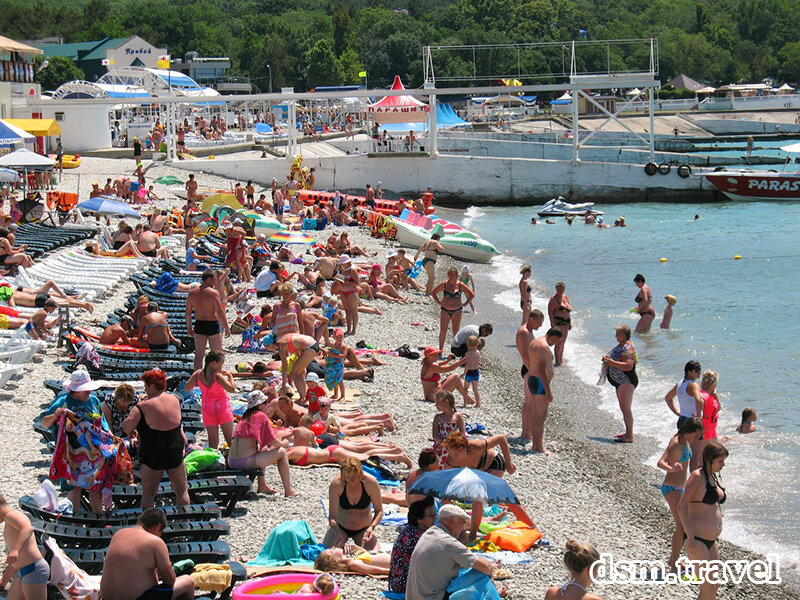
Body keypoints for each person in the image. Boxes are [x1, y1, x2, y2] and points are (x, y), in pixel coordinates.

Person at [38, 370, 107, 512]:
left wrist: (113, 442)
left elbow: (104, 425)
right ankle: (75, 520)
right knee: (74, 489)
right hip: (70, 453)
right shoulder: (63, 401)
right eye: (85, 389)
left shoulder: (94, 400)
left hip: (94, 452)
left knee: (96, 487)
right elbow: (44, 423)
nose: (88, 391)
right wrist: (55, 415)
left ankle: (97, 519)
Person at [406, 504, 506, 600]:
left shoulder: (430, 533)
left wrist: (460, 541)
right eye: (462, 523)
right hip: (433, 597)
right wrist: (490, 570)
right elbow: (485, 567)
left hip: (415, 596)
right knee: (481, 576)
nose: (463, 528)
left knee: (470, 571)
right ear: (452, 522)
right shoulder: (448, 542)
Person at [122, 370, 189, 508]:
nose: (145, 389)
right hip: (175, 447)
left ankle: (147, 526)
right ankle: (185, 520)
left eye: (146, 386)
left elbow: (126, 427)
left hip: (153, 451)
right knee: (182, 491)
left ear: (152, 386)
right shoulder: (175, 399)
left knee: (148, 495)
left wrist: (134, 430)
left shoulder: (142, 406)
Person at [100, 508, 195, 600]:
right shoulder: (155, 541)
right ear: (157, 527)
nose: (161, 535)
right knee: (188, 581)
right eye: (161, 532)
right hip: (137, 598)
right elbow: (170, 581)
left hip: (107, 597)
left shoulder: (119, 534)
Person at [678, 442, 729, 600]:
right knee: (708, 585)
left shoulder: (711, 477)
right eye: (720, 461)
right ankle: (684, 568)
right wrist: (690, 535)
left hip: (711, 541)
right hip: (697, 540)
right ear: (709, 459)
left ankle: (686, 570)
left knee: (713, 585)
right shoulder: (697, 477)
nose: (723, 465)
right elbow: (682, 507)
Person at [228, 390, 299, 496]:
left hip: (231, 460)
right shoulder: (261, 416)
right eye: (265, 402)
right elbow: (272, 440)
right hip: (244, 462)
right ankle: (289, 490)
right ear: (259, 405)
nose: (267, 405)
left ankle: (262, 486)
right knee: (282, 452)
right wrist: (284, 443)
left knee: (264, 449)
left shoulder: (245, 417)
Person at [657, 417, 704, 573]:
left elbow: (691, 465)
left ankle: (673, 559)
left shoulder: (686, 442)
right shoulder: (676, 443)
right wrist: (671, 468)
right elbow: (660, 462)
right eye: (696, 435)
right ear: (688, 431)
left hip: (681, 487)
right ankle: (674, 565)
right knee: (681, 525)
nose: (697, 439)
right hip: (671, 488)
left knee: (684, 524)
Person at [323, 458, 384, 550]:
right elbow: (332, 516)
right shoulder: (337, 484)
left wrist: (371, 527)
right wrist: (337, 533)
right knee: (327, 556)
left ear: (360, 473)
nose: (351, 481)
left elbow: (379, 511)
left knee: (373, 558)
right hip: (340, 527)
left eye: (354, 478)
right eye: (347, 478)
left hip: (364, 529)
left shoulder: (370, 483)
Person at [0, 493, 49, 600]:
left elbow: (28, 528)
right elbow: (16, 562)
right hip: (21, 571)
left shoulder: (12, 515)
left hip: (34, 569)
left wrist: (15, 550)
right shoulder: (9, 522)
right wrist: (3, 582)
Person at [184, 351, 235, 450]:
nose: (221, 367)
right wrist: (230, 377)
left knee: (213, 442)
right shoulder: (218, 376)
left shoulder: (198, 374)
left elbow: (187, 387)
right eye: (220, 364)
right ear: (213, 364)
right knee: (230, 440)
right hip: (222, 407)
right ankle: (235, 462)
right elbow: (231, 389)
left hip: (208, 408)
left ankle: (213, 461)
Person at [388, 497, 436, 594]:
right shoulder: (416, 536)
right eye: (431, 516)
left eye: (435, 515)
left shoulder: (409, 530)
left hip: (397, 582)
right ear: (419, 519)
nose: (434, 518)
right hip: (405, 585)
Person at [526, 328, 561, 454]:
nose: (556, 344)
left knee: (537, 413)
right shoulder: (543, 347)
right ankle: (538, 447)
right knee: (540, 416)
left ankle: (537, 443)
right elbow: (541, 370)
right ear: (553, 336)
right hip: (540, 382)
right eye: (557, 341)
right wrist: (548, 390)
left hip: (533, 379)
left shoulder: (535, 342)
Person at [186, 270, 229, 370]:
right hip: (212, 324)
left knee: (199, 354)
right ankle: (216, 376)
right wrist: (226, 326)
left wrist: (189, 327)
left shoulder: (192, 293)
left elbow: (188, 312)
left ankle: (197, 377)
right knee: (217, 354)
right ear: (209, 279)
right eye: (215, 279)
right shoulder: (213, 293)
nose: (216, 281)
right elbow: (220, 312)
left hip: (199, 324)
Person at [602, 324, 638, 443]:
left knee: (626, 408)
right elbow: (615, 356)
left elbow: (628, 366)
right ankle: (627, 432)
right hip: (621, 382)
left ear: (623, 335)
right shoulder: (622, 345)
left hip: (626, 380)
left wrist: (611, 362)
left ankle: (630, 436)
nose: (615, 336)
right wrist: (607, 358)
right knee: (623, 408)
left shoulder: (628, 347)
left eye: (617, 334)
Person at [431, 268, 475, 351]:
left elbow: (472, 295)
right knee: (443, 331)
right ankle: (440, 350)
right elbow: (433, 292)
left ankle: (454, 350)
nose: (451, 277)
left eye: (453, 275)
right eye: (449, 275)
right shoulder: (444, 284)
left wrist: (465, 304)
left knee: (455, 332)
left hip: (457, 310)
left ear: (456, 276)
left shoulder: (460, 285)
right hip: (445, 309)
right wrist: (439, 302)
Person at [517, 309, 544, 440]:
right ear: (532, 319)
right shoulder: (524, 332)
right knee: (530, 402)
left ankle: (528, 431)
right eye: (538, 323)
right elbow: (524, 355)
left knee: (532, 402)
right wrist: (534, 373)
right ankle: (525, 432)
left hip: (532, 369)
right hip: (529, 370)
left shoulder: (529, 331)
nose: (540, 326)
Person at [277, 332, 321, 399]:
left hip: (309, 348)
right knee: (300, 372)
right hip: (313, 343)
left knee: (295, 373)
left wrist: (284, 385)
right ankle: (304, 396)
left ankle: (302, 398)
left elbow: (284, 367)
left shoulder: (281, 346)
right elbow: (298, 347)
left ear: (270, 345)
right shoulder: (284, 338)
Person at [665, 360, 703, 430]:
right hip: (692, 421)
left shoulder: (680, 384)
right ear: (689, 372)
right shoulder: (693, 385)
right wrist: (698, 417)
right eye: (696, 370)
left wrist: (677, 412)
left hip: (682, 419)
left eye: (699, 370)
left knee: (683, 440)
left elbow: (668, 398)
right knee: (699, 441)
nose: (699, 373)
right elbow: (698, 400)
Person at [432, 391, 466, 468]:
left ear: (446, 402)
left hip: (454, 442)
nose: (436, 405)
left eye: (437, 403)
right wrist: (441, 441)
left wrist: (456, 442)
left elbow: (462, 433)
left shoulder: (457, 416)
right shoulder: (438, 417)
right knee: (443, 451)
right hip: (441, 444)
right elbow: (435, 435)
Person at [314, 545, 391, 576]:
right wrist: (388, 571)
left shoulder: (353, 559)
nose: (333, 547)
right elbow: (372, 569)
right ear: (336, 560)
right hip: (396, 563)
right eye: (332, 550)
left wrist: (358, 548)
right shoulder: (353, 564)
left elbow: (369, 556)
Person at [548, 281, 572, 367]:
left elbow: (568, 312)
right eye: (558, 289)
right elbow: (550, 313)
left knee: (563, 342)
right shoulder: (553, 299)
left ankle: (561, 359)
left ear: (564, 289)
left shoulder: (565, 297)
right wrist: (553, 324)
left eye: (561, 289)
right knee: (558, 342)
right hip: (558, 323)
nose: (559, 291)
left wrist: (570, 322)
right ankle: (557, 361)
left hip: (566, 323)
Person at [462, 335, 482, 407]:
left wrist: (463, 374)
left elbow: (467, 365)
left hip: (469, 373)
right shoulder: (478, 352)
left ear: (467, 344)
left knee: (465, 388)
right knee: (475, 389)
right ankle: (478, 403)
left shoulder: (467, 354)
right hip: (476, 373)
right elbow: (477, 360)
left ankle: (465, 404)